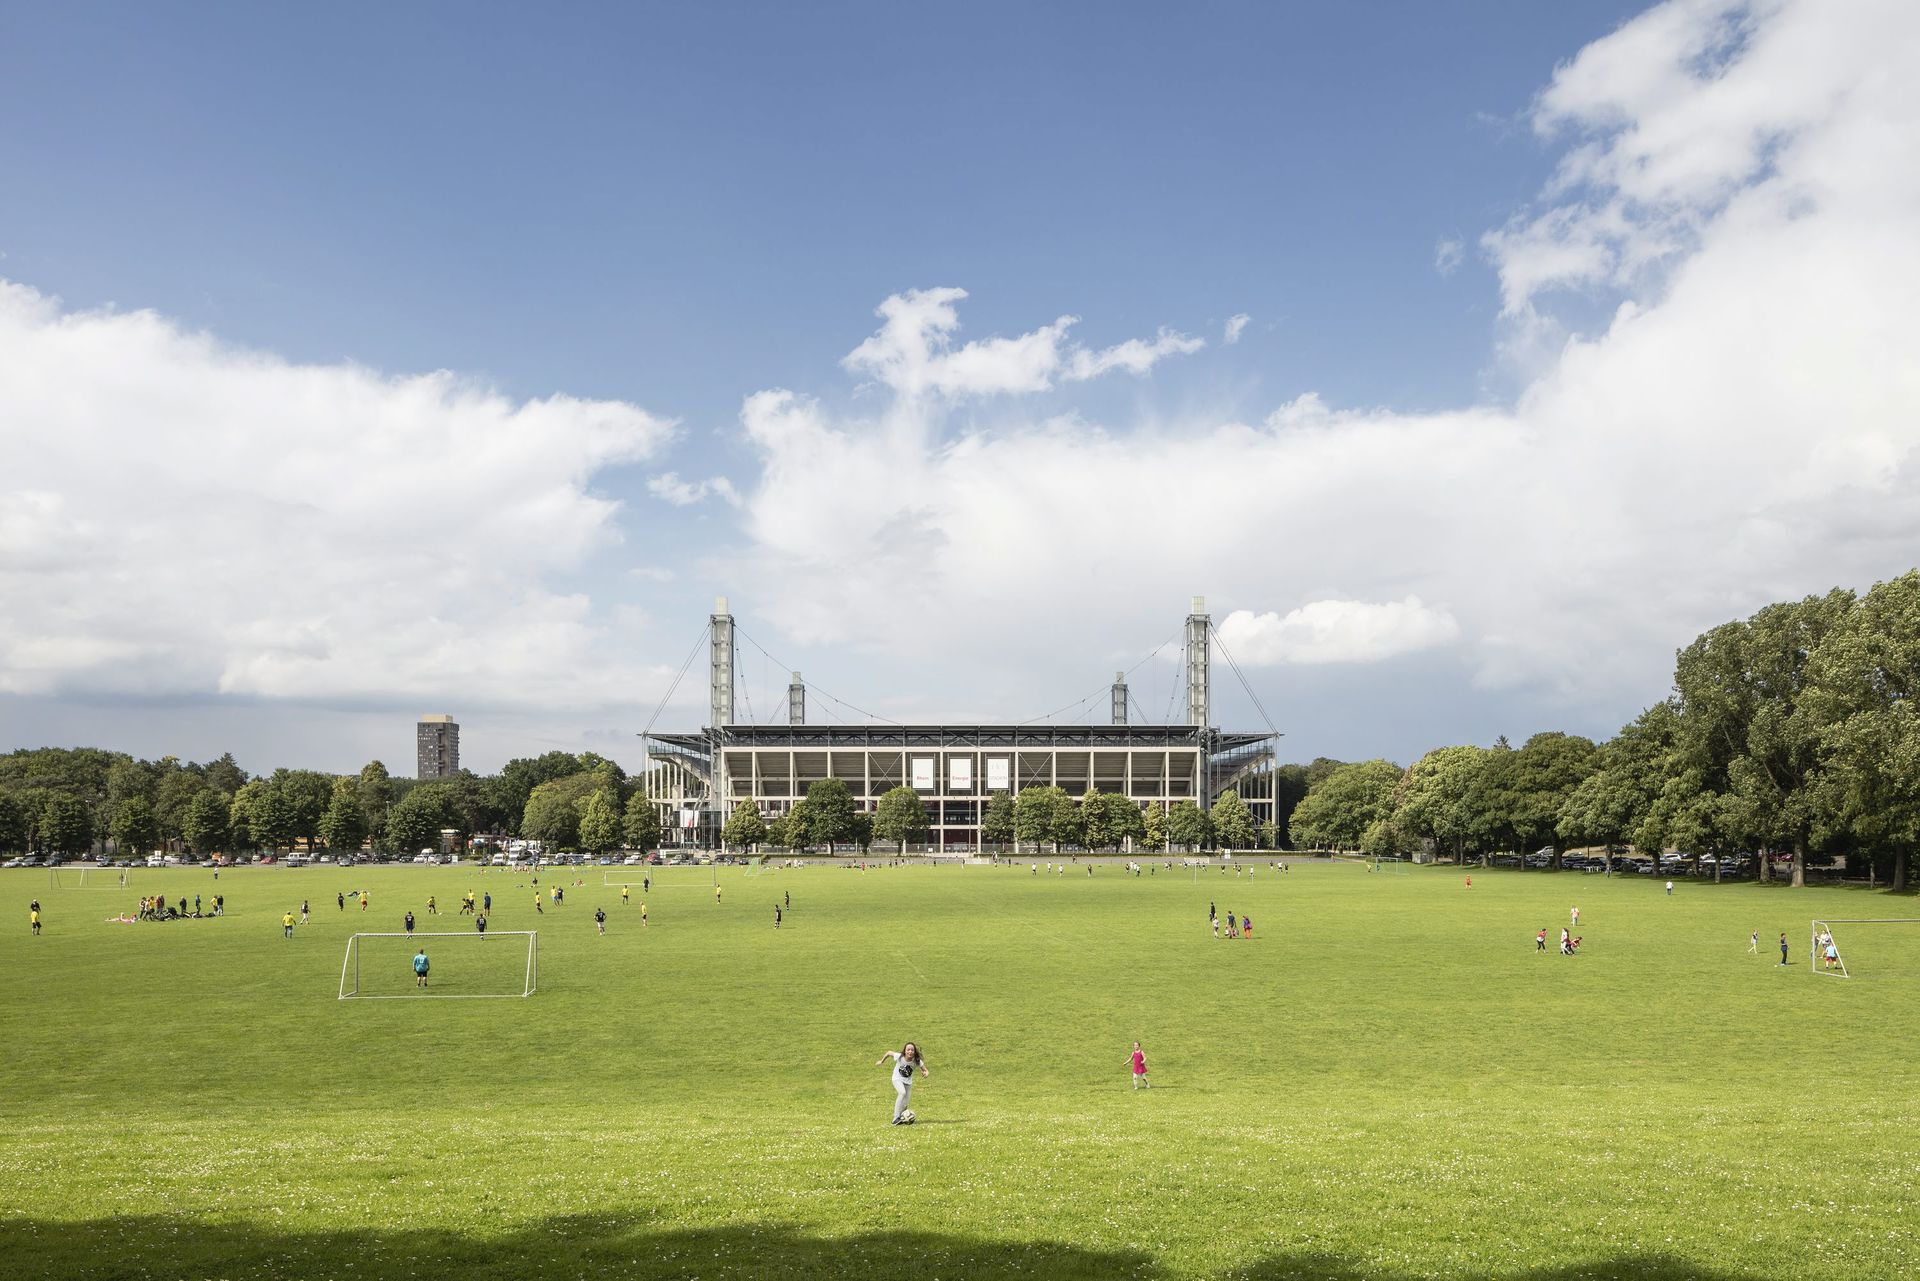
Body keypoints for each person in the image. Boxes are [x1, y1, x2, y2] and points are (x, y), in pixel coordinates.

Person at [876, 1042, 929, 1124]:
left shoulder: (917, 1061)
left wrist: (926, 1073)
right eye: (908, 1050)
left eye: (912, 1050)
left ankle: (902, 1118)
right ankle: (895, 1118)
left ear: (914, 1052)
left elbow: (925, 1070)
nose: (910, 1051)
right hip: (897, 1078)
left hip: (908, 1082)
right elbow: (889, 1053)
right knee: (902, 1093)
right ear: (905, 1051)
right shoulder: (899, 1056)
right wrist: (882, 1061)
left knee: (905, 1103)